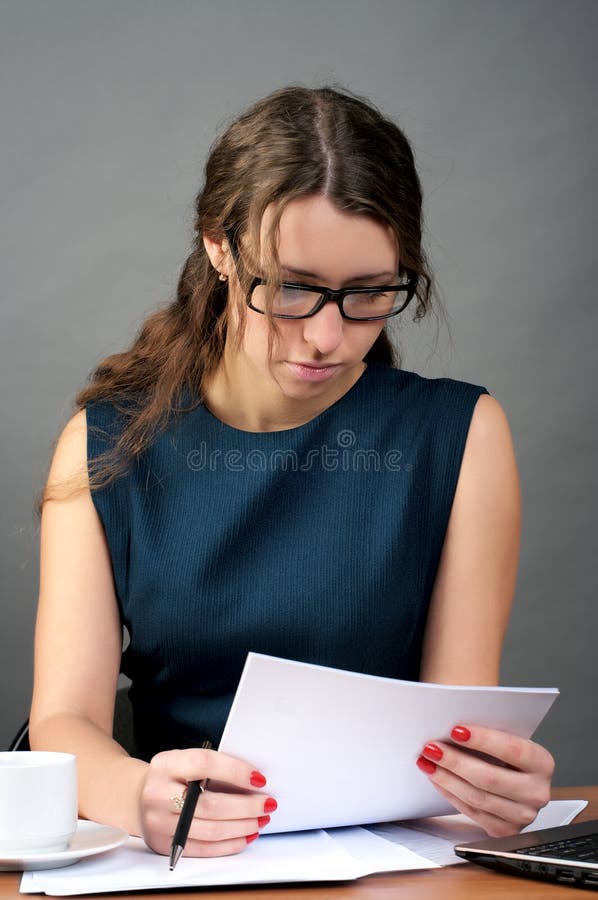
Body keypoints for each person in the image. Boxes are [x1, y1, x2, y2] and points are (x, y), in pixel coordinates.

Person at [29, 84, 555, 859]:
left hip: (386, 863)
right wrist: (137, 795)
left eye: (371, 294)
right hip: (177, 863)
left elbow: (452, 734)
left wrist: (488, 783)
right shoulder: (105, 444)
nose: (328, 337)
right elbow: (63, 722)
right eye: (292, 288)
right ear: (218, 247)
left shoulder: (461, 436)